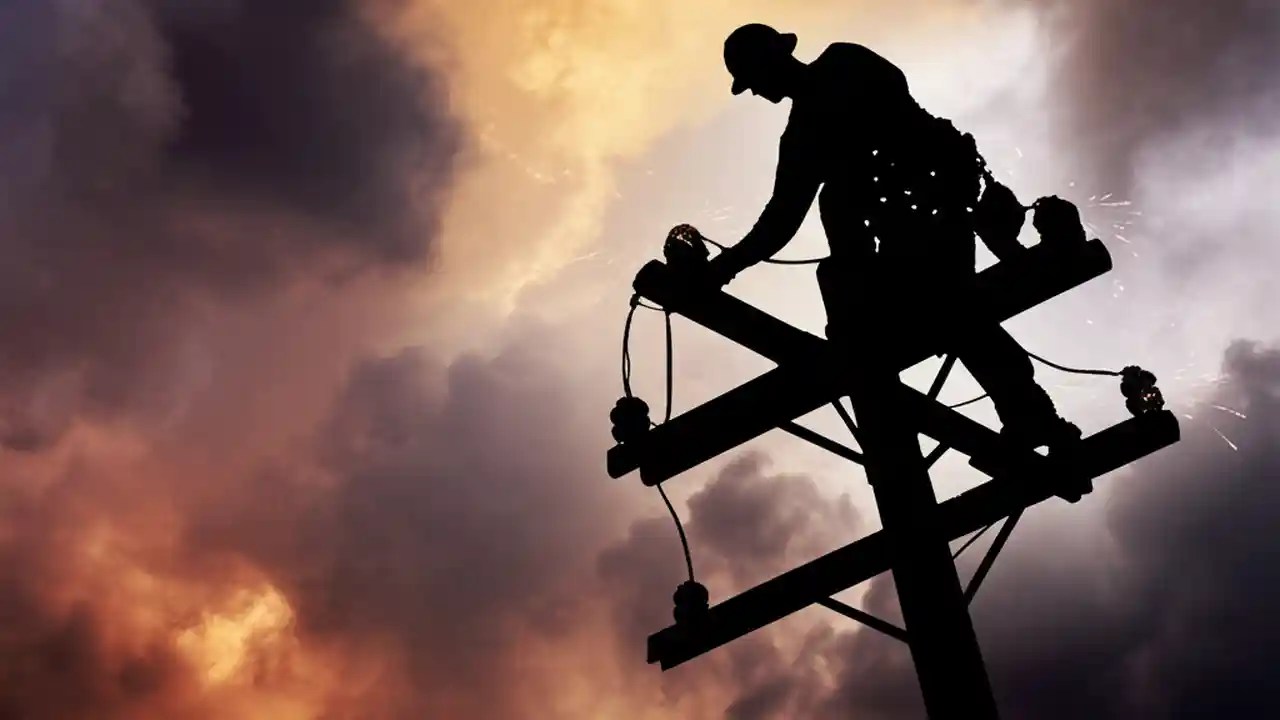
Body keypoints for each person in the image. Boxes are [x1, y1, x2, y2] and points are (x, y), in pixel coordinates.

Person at [704, 23, 1080, 451]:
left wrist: (724, 267)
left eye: (752, 79)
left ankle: (1033, 417)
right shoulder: (807, 127)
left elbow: (898, 113)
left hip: (934, 214)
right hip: (913, 232)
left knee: (953, 309)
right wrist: (727, 266)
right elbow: (780, 222)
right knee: (951, 313)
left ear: (769, 61)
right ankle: (1030, 417)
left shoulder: (837, 76)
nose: (754, 91)